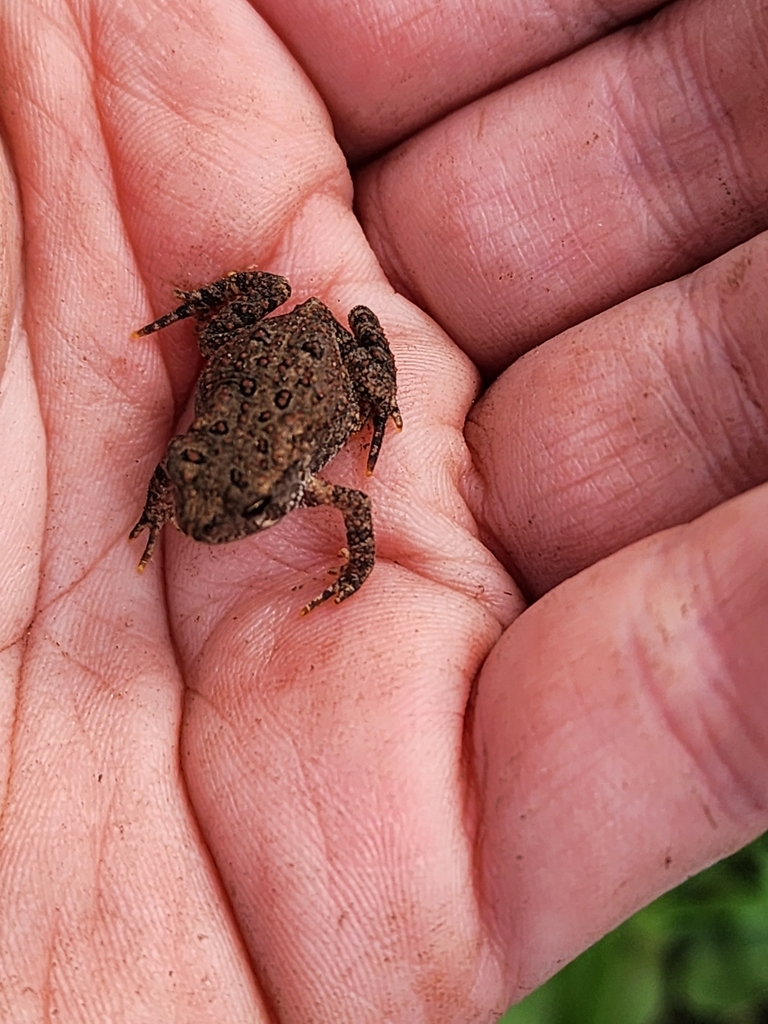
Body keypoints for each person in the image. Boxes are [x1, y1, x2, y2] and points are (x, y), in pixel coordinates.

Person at [0, 0, 766, 1019]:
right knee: (235, 317)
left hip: (318, 354)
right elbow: (199, 467)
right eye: (205, 495)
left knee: (347, 355)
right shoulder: (199, 464)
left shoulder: (311, 482)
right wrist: (164, 498)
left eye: (241, 507)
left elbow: (358, 520)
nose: (208, 517)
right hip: (263, 357)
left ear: (281, 488)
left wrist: (356, 538)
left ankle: (379, 398)